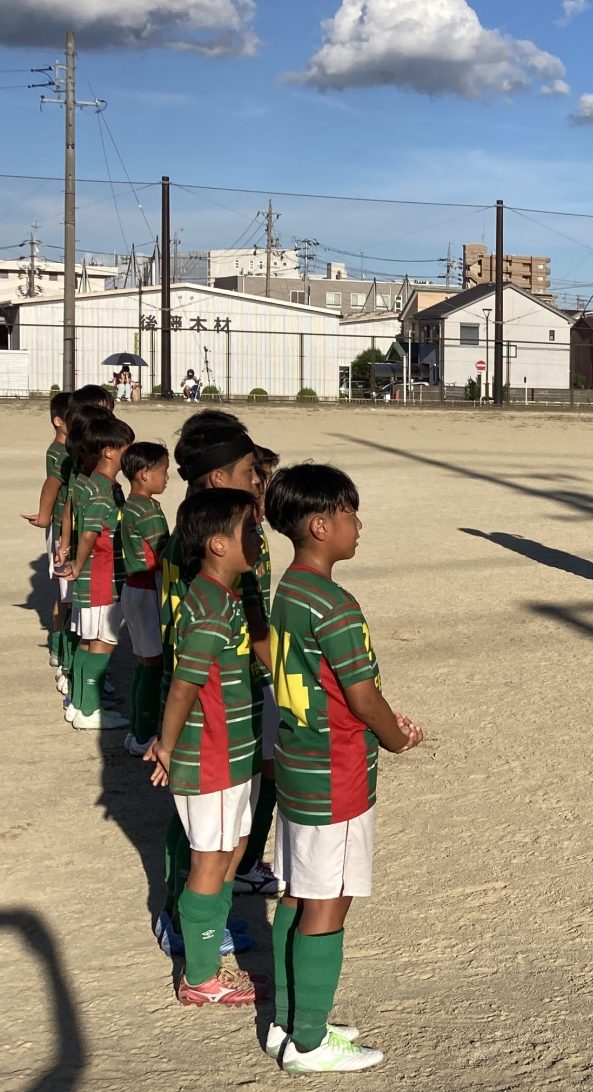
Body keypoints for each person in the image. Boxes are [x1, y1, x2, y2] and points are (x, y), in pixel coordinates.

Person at [265, 463, 425, 1070]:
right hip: (337, 770)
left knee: (300, 895)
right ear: (320, 523)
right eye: (350, 512)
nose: (358, 524)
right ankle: (308, 1042)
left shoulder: (290, 590)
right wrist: (396, 735)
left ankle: (289, 1018)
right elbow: (360, 697)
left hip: (302, 760)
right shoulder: (333, 603)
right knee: (328, 901)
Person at [143, 487, 263, 1007]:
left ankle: (209, 951)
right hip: (209, 755)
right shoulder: (209, 606)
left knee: (231, 852)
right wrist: (167, 745)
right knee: (210, 859)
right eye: (250, 531)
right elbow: (185, 684)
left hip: (233, 751)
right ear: (217, 545)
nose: (258, 539)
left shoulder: (226, 596)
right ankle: (199, 977)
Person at [60, 412, 136, 731]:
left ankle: (78, 703)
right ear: (108, 450)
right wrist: (77, 563)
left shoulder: (91, 484)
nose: (128, 455)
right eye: (125, 448)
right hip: (102, 579)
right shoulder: (103, 490)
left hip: (92, 578)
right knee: (102, 644)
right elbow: (90, 533)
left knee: (87, 641)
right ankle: (91, 710)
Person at [234, 445, 284, 897]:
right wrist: (282, 677)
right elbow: (251, 620)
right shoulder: (240, 536)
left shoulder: (255, 532)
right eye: (262, 479)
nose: (267, 489)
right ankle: (245, 863)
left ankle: (247, 858)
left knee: (264, 768)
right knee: (266, 768)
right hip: (251, 670)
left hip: (256, 666)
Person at [119, 441, 172, 755]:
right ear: (143, 474)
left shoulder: (130, 505)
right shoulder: (148, 509)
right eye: (163, 472)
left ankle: (136, 728)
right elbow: (162, 552)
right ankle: (143, 735)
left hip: (133, 588)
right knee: (153, 664)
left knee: (143, 662)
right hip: (148, 588)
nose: (167, 478)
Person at [21, 391, 73, 677]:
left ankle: (62, 647)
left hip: (66, 523)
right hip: (60, 524)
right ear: (57, 421)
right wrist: (44, 518)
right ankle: (60, 647)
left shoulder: (70, 448)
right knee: (66, 594)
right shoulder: (58, 451)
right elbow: (51, 485)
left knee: (67, 594)